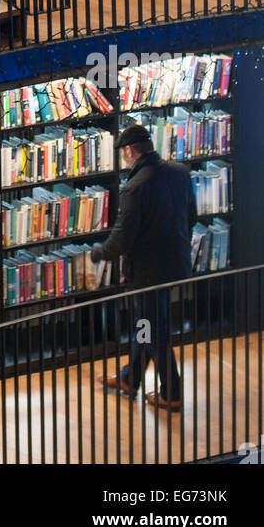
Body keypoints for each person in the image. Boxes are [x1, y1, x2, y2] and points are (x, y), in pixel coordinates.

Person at [92, 122, 197, 411]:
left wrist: (98, 254)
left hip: (148, 273)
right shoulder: (180, 172)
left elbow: (122, 239)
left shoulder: (134, 188)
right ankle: (130, 378)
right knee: (146, 324)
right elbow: (192, 217)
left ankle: (171, 393)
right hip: (176, 263)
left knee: (153, 331)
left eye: (123, 154)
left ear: (129, 151)